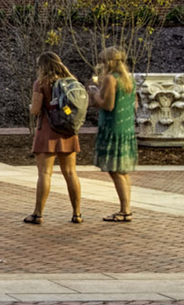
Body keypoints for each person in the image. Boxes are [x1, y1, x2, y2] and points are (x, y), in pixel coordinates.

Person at [25, 50, 82, 225]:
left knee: (45, 173)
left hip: (48, 132)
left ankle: (38, 214)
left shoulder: (41, 83)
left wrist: (31, 106)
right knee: (71, 173)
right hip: (68, 130)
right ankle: (77, 213)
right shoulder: (72, 82)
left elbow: (35, 110)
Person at [91, 46, 139, 222]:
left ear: (109, 62)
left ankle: (124, 210)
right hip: (125, 128)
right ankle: (126, 207)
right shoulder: (129, 79)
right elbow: (133, 104)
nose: (101, 65)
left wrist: (95, 94)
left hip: (112, 128)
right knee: (122, 171)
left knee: (116, 170)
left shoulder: (111, 79)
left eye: (103, 61)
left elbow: (108, 104)